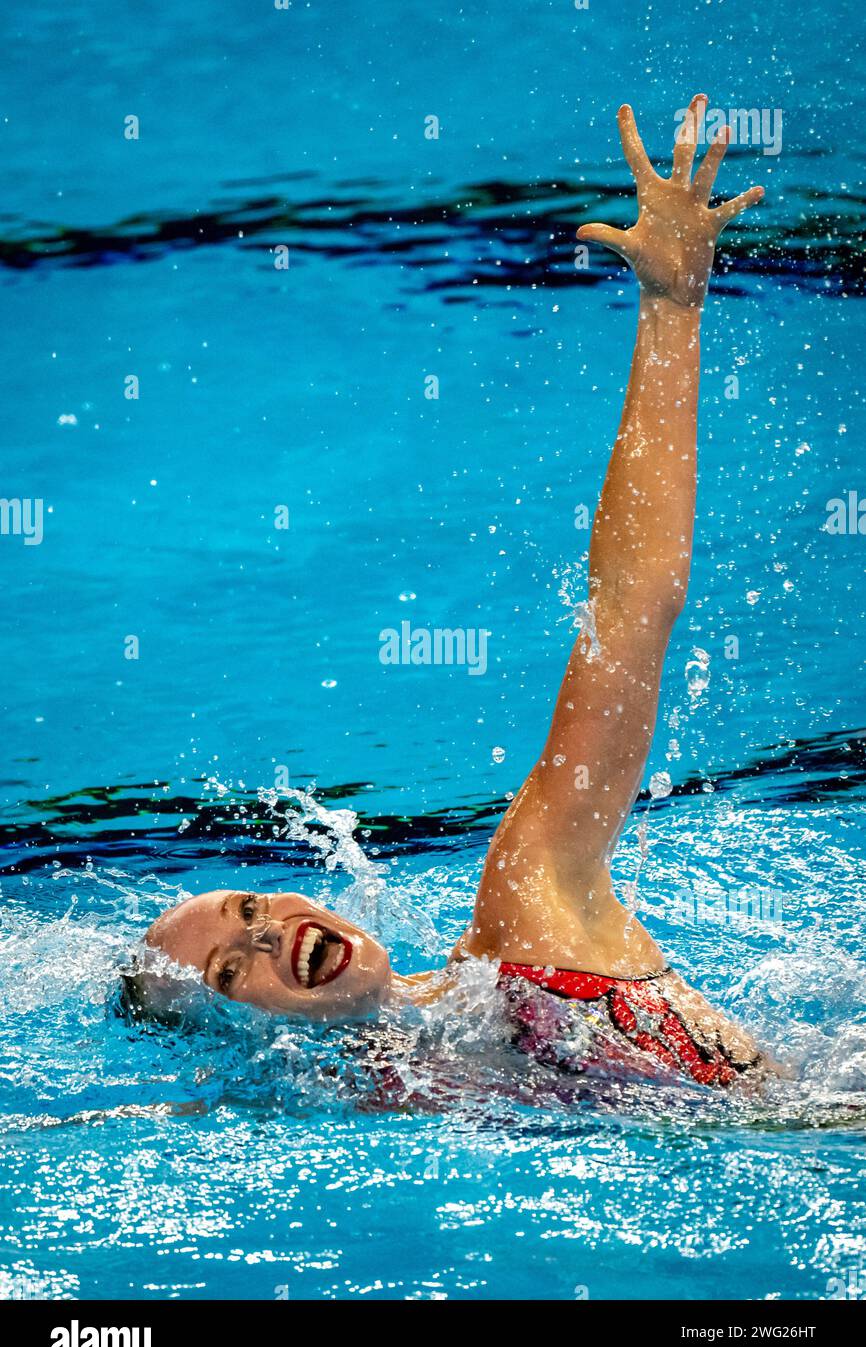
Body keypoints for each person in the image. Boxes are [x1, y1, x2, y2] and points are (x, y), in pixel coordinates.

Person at [124, 96, 771, 1088]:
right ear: (243, 1041)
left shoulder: (527, 903)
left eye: (252, 910)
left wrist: (672, 311)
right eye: (228, 967)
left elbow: (632, 612)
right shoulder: (372, 1108)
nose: (269, 937)